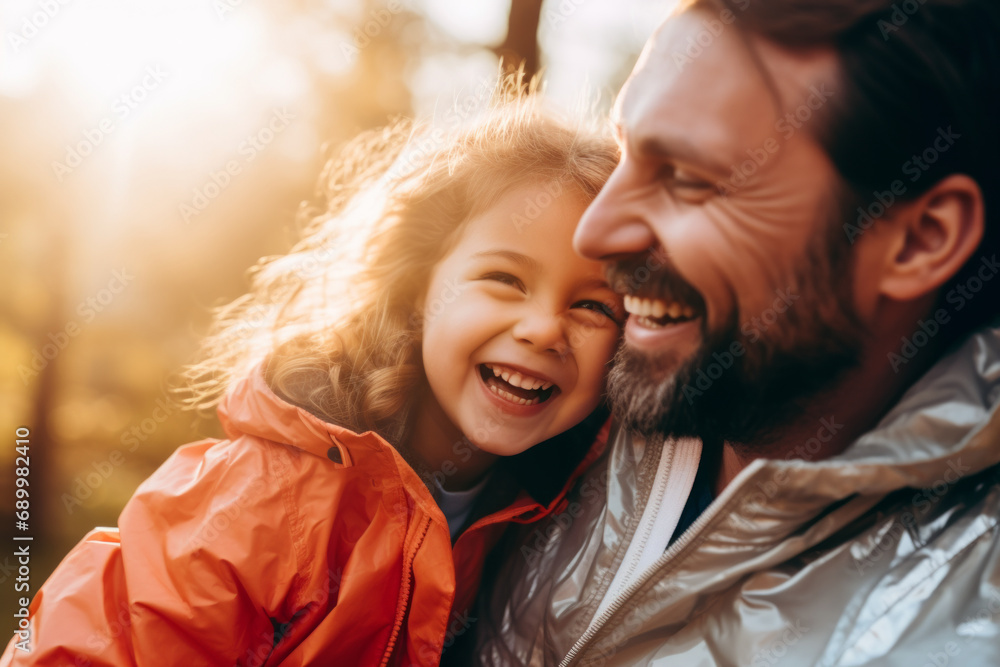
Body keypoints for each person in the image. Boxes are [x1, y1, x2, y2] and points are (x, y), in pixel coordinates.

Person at [0, 85, 625, 666]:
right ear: (415, 289)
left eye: (594, 305)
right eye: (504, 280)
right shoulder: (272, 497)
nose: (544, 328)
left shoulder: (558, 511)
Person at [472, 1, 1000, 665]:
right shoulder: (560, 399)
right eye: (624, 152)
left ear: (921, 241)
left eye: (689, 178)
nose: (596, 233)